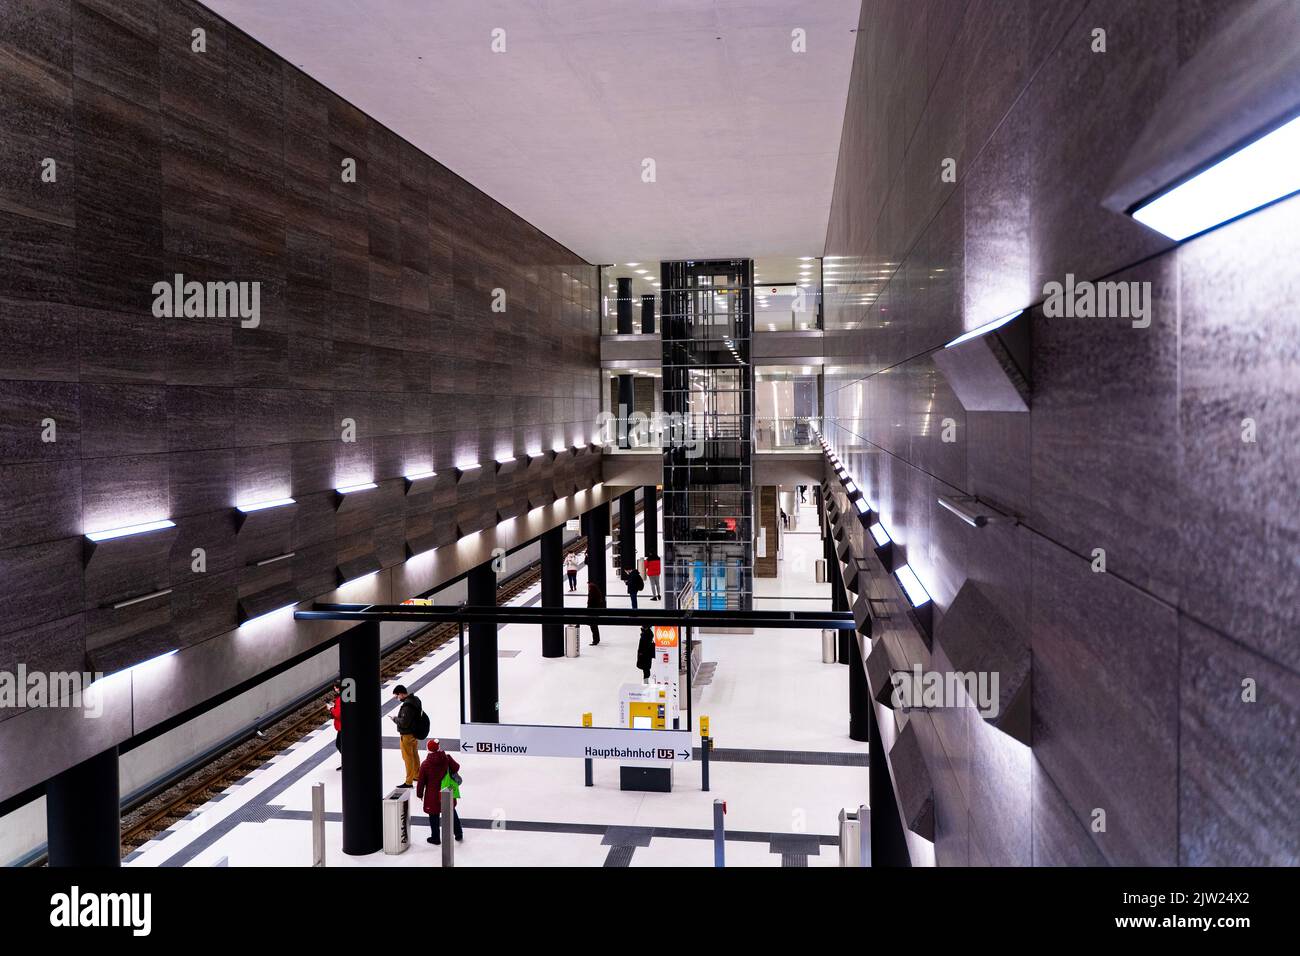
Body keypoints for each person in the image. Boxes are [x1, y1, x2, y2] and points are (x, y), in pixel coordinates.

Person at [416, 739, 463, 844]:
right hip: (447, 791)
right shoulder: (446, 758)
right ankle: (458, 833)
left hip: (432, 796)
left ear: (428, 750)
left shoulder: (425, 764)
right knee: (451, 812)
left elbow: (421, 782)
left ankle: (436, 838)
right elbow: (456, 767)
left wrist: (419, 794)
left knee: (434, 816)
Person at [390, 685, 425, 788]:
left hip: (407, 735)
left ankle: (408, 781)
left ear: (401, 693)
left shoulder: (407, 706)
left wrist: (395, 719)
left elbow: (404, 722)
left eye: (397, 696)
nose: (397, 699)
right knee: (414, 755)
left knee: (407, 758)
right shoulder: (416, 700)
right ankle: (417, 775)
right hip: (414, 733)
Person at [326, 680, 343, 770]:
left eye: (335, 687)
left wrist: (331, 708)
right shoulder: (343, 696)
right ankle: (347, 762)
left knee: (339, 744)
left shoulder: (340, 699)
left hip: (342, 727)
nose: (334, 689)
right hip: (343, 726)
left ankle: (347, 762)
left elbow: (338, 714)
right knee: (340, 744)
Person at [587, 581, 605, 645]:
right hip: (594, 612)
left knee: (593, 627)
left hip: (592, 613)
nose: (588, 587)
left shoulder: (592, 594)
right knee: (594, 626)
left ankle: (595, 640)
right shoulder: (596, 593)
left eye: (589, 586)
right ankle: (597, 639)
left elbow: (590, 603)